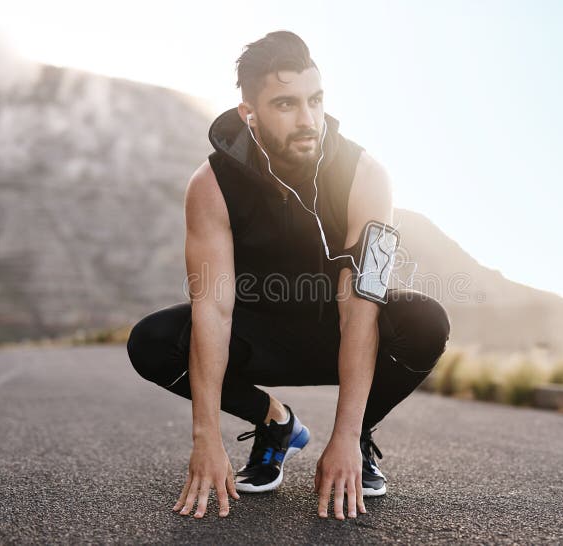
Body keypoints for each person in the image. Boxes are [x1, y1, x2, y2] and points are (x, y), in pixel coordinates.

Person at [126, 30, 450, 521]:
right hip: (256, 337)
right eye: (285, 104)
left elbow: (363, 300)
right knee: (152, 341)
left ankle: (358, 437)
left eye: (315, 100)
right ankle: (275, 423)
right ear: (248, 113)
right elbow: (212, 308)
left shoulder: (367, 175)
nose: (307, 120)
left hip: (338, 329)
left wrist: (344, 434)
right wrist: (206, 435)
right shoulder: (210, 184)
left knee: (425, 321)